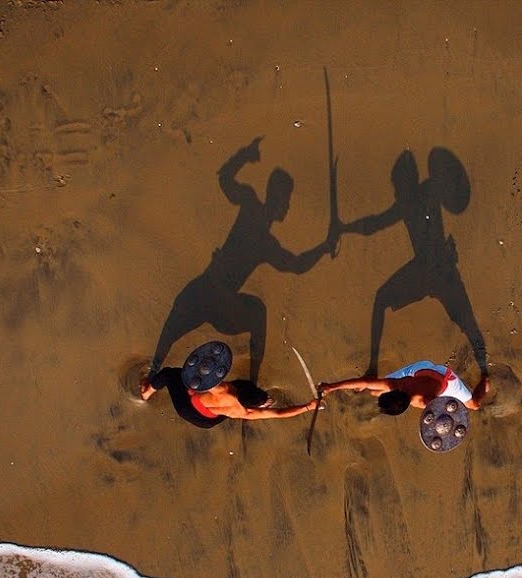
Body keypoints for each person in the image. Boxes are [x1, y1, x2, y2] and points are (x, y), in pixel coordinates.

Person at [150, 136, 336, 381]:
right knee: (258, 312)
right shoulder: (265, 242)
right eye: (286, 201)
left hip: (205, 289)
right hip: (221, 304)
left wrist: (245, 155)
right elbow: (298, 264)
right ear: (277, 200)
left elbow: (224, 177)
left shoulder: (249, 205)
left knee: (172, 327)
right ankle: (252, 383)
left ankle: (152, 373)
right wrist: (325, 246)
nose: (287, 208)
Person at [330, 147, 488, 378]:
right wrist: (344, 227)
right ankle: (484, 371)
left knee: (465, 320)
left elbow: (376, 223)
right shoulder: (412, 198)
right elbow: (374, 223)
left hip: (436, 271)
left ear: (406, 181)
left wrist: (343, 227)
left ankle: (484, 371)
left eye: (397, 183)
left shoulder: (420, 194)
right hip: (430, 270)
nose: (395, 190)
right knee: (383, 298)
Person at [139, 368, 323, 429]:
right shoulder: (242, 412)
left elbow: (202, 378)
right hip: (206, 423)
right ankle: (261, 402)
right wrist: (308, 406)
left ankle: (146, 393)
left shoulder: (224, 390)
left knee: (170, 374)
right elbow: (280, 413)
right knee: (222, 410)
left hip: (188, 408)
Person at [317, 359, 490, 415]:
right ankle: (376, 384)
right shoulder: (395, 384)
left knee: (474, 405)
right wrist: (331, 387)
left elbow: (449, 412)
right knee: (373, 390)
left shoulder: (426, 402)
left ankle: (485, 379)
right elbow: (363, 382)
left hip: (445, 380)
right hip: (418, 371)